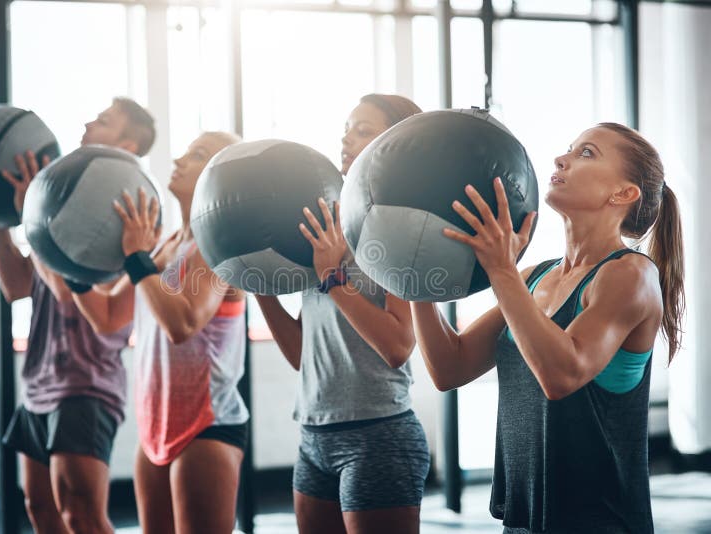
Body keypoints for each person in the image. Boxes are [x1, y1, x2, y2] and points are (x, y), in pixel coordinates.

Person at [410, 123, 685, 533]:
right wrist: (414, 279)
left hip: (598, 523)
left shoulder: (630, 275)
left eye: (586, 153)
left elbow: (562, 374)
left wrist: (501, 269)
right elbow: (451, 366)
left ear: (623, 194)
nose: (562, 158)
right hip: (524, 520)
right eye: (569, 149)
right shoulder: (534, 277)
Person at [255, 94, 430, 534]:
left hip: (379, 435)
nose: (347, 138)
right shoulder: (327, 229)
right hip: (314, 433)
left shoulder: (395, 233)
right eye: (348, 128)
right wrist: (262, 291)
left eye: (363, 130)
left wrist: (333, 276)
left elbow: (397, 346)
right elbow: (302, 355)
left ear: (393, 144)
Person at [67, 131, 248, 534]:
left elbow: (182, 324)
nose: (181, 159)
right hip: (154, 428)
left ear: (220, 176)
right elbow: (108, 315)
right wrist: (70, 262)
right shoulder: (164, 247)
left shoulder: (216, 246)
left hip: (207, 427)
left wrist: (135, 258)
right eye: (186, 149)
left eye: (197, 155)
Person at [0, 97, 156, 534]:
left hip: (85, 385)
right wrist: (1, 216)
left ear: (128, 144)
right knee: (41, 510)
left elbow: (68, 291)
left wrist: (33, 217)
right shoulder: (59, 204)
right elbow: (16, 286)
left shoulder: (131, 213)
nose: (87, 122)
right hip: (39, 383)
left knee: (80, 513)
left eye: (103, 121)